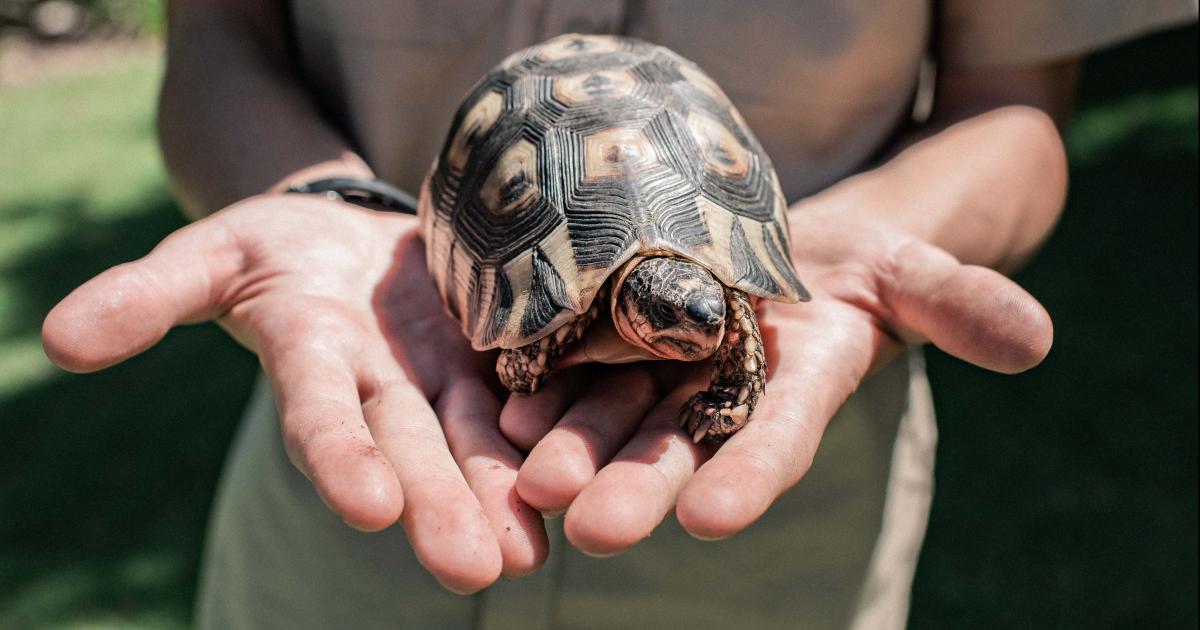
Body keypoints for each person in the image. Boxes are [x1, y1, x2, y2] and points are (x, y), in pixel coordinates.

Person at [41, 2, 1195, 628]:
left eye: (702, 319)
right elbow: (217, 41)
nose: (697, 329)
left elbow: (1015, 108)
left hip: (783, 554)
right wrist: (316, 197)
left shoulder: (712, 312)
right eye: (676, 317)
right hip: (351, 466)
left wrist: (850, 249)